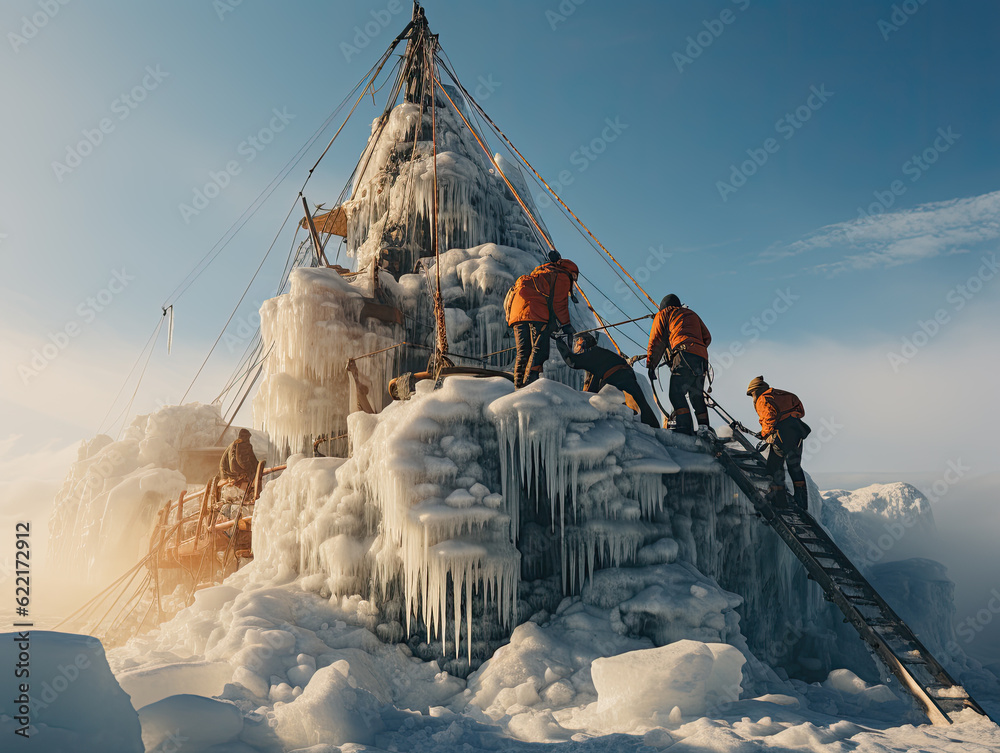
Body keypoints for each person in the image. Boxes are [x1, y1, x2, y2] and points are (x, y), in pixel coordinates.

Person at [505, 250, 579, 388]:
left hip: (517, 313)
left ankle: (518, 385)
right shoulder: (562, 275)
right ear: (572, 272)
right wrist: (566, 324)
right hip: (535, 312)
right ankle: (529, 382)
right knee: (540, 350)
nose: (574, 281)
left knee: (523, 351)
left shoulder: (541, 273)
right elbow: (559, 303)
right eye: (574, 278)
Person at [555, 332, 660, 428]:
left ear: (584, 343)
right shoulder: (600, 353)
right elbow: (594, 384)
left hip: (615, 376)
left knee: (610, 403)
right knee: (641, 403)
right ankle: (654, 428)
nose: (576, 347)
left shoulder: (591, 354)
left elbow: (573, 362)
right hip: (626, 374)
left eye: (577, 344)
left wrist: (559, 342)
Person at [646, 294, 712, 435]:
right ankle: (704, 428)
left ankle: (684, 426)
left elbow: (656, 340)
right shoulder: (692, 314)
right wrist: (696, 348)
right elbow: (707, 337)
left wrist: (651, 365)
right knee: (696, 395)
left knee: (676, 393)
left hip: (683, 354)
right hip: (701, 358)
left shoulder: (663, 314)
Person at [746, 376, 810, 510]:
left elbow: (769, 417)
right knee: (794, 466)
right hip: (797, 432)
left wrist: (764, 433)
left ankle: (779, 501)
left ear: (755, 391)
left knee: (774, 467)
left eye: (752, 394)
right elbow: (800, 411)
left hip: (782, 435)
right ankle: (802, 502)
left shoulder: (763, 398)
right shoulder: (782, 395)